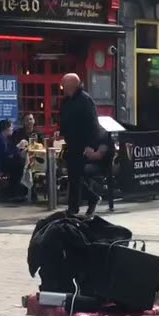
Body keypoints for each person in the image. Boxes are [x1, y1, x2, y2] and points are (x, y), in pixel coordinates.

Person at [58, 72, 99, 216]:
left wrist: (90, 145)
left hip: (82, 144)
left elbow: (93, 123)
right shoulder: (66, 101)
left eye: (64, 84)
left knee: (76, 176)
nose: (62, 87)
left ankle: (75, 207)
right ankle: (88, 200)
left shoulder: (85, 100)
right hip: (72, 143)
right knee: (74, 176)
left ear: (72, 85)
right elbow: (63, 119)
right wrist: (60, 132)